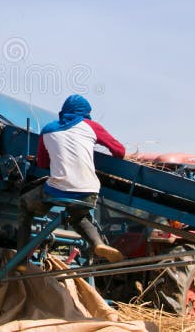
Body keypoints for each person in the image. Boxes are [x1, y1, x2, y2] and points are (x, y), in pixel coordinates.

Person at [17, 94, 126, 265]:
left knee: (25, 205)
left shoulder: (47, 130)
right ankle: (97, 243)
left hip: (57, 189)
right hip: (88, 190)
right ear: (85, 113)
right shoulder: (91, 126)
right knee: (78, 216)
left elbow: (42, 163)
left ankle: (21, 260)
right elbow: (120, 151)